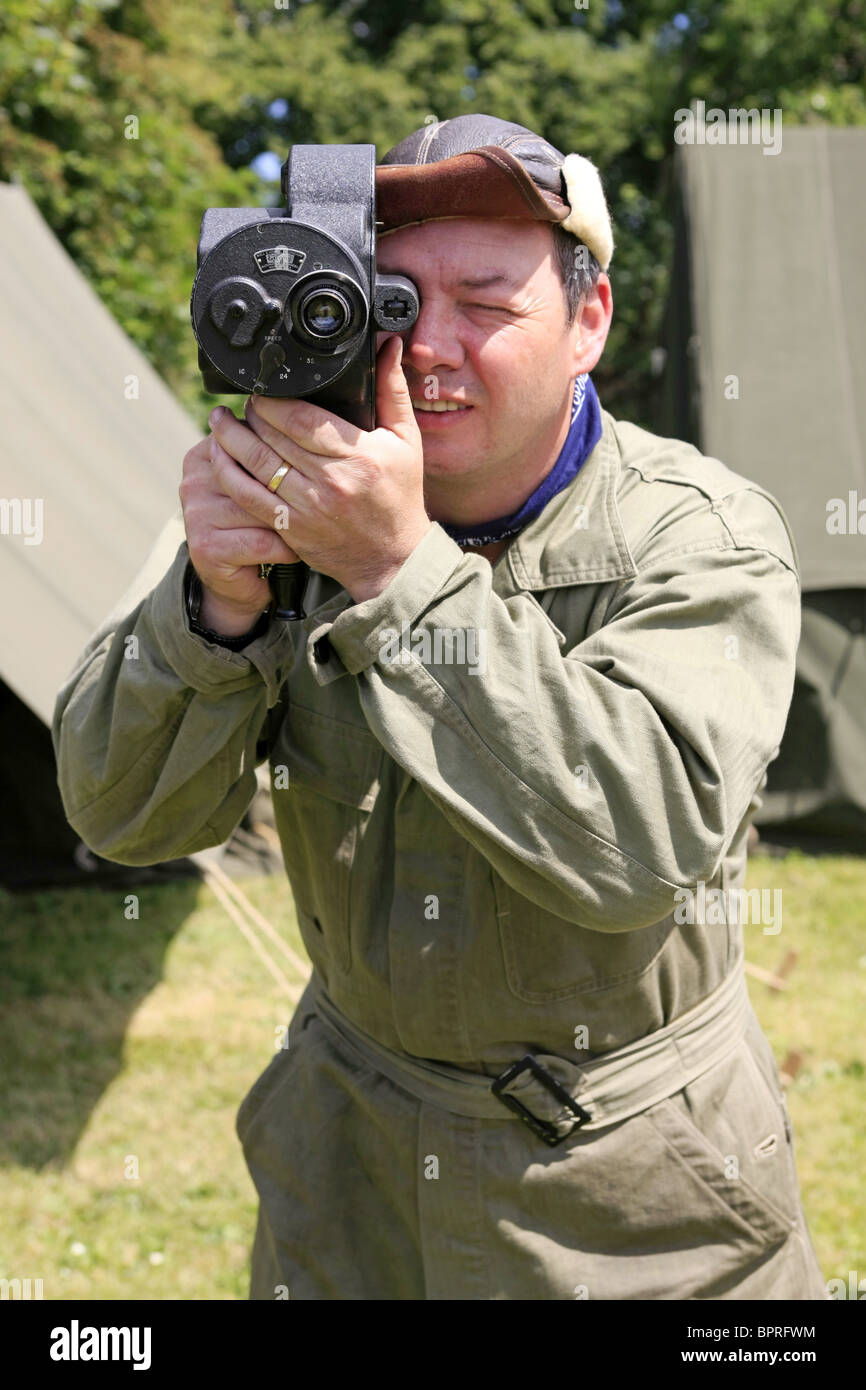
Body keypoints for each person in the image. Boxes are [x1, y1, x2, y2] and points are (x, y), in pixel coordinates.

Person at [53, 115, 828, 1301]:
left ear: (589, 322)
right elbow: (118, 814)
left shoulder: (698, 536)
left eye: (485, 301)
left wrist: (397, 570)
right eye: (394, 300)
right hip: (355, 1168)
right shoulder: (288, 513)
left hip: (632, 1199)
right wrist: (214, 607)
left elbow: (635, 847)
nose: (430, 348)